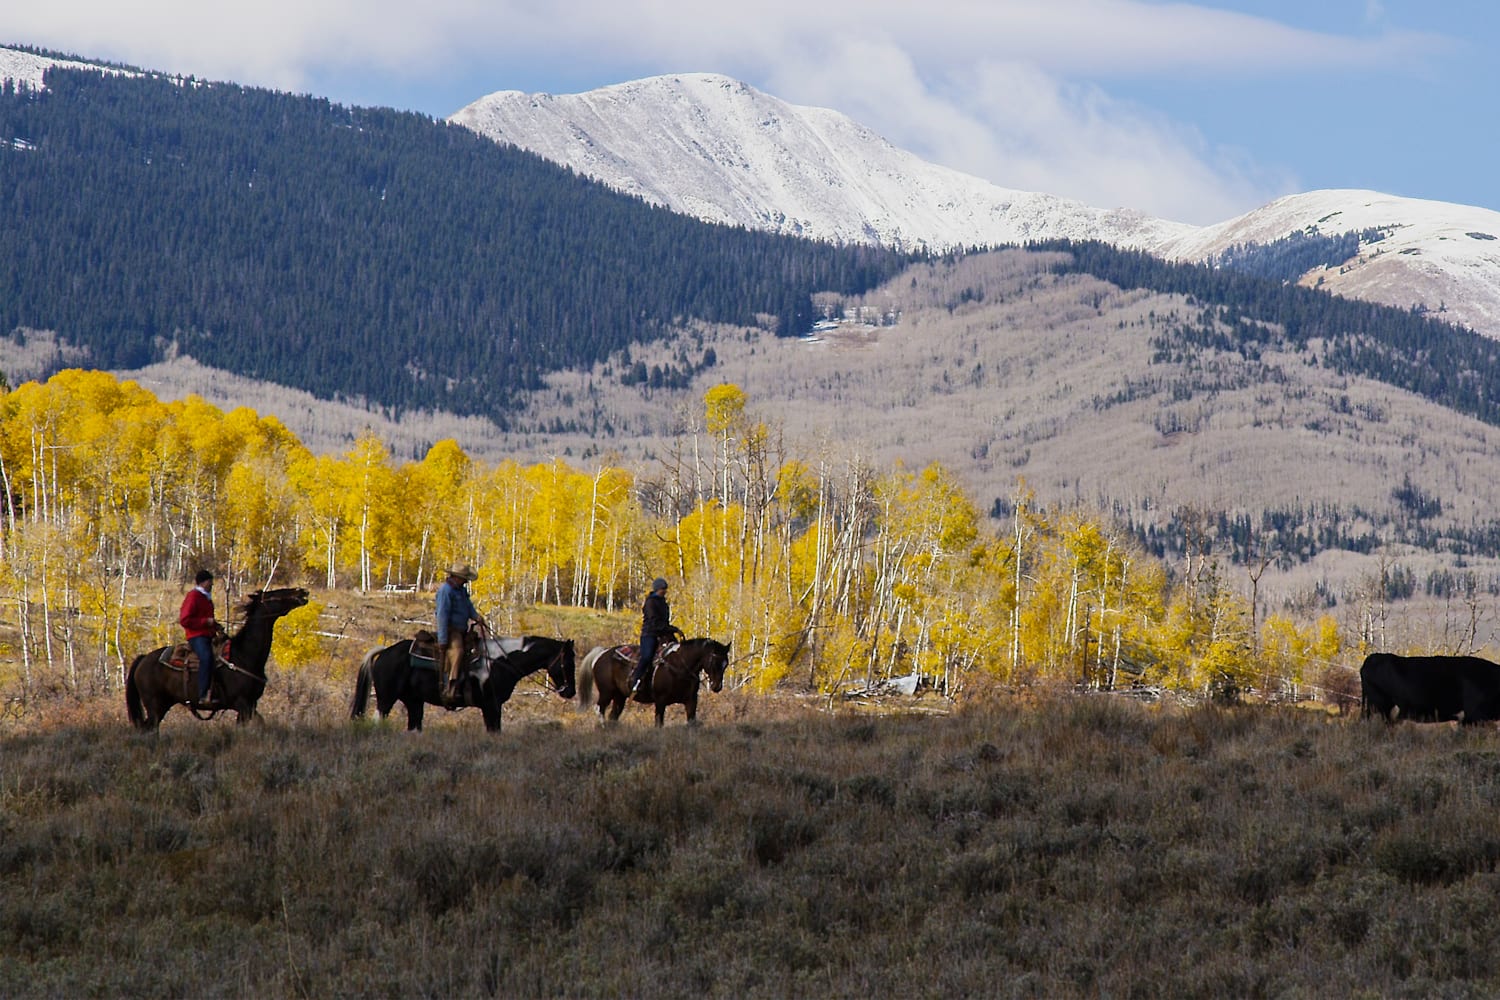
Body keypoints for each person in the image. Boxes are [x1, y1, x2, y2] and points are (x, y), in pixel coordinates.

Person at [435, 564, 482, 700]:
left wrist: (476, 617)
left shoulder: (461, 590)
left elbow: (468, 607)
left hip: (463, 629)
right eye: (463, 578)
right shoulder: (446, 591)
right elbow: (442, 616)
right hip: (451, 630)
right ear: (456, 577)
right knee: (457, 651)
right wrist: (443, 639)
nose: (466, 581)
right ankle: (451, 686)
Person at [629, 576, 681, 696]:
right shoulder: (650, 602)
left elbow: (664, 622)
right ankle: (636, 680)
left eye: (665, 589)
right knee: (647, 657)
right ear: (657, 589)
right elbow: (655, 622)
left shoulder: (663, 603)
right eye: (663, 589)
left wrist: (671, 632)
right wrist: (674, 629)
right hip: (650, 633)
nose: (665, 591)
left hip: (664, 633)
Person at [179, 569, 221, 705]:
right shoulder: (193, 596)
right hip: (196, 636)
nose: (212, 585)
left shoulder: (206, 598)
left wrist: (216, 626)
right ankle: (202, 695)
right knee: (206, 658)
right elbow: (184, 620)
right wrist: (205, 622)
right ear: (203, 582)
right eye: (210, 582)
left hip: (208, 635)